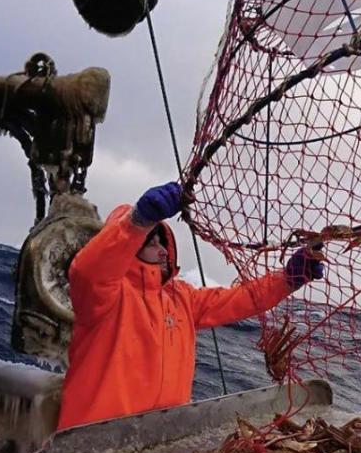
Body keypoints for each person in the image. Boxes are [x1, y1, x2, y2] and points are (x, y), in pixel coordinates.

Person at [56, 182, 323, 430]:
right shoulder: (104, 296)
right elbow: (88, 272)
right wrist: (136, 223)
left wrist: (287, 280)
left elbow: (240, 300)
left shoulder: (182, 298)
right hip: (91, 444)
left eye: (163, 242)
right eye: (151, 243)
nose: (162, 250)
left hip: (159, 444)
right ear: (130, 247)